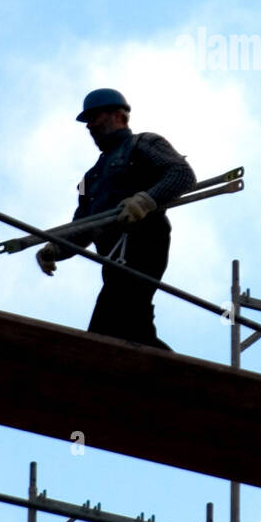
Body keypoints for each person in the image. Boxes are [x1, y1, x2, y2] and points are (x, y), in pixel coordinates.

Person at [36, 88, 195, 350]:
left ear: (120, 116)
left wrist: (144, 201)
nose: (90, 125)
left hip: (144, 241)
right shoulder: (89, 179)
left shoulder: (144, 144)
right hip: (113, 256)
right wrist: (57, 246)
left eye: (96, 116)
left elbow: (181, 174)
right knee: (131, 327)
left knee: (107, 326)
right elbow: (82, 225)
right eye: (88, 120)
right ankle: (175, 379)